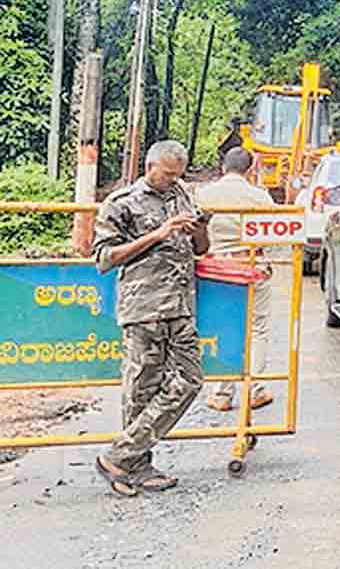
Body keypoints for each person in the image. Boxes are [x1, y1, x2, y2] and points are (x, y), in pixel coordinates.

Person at [92, 140, 210, 497]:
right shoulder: (121, 202)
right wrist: (157, 234)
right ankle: (135, 467)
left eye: (178, 175)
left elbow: (202, 249)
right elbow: (104, 259)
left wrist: (199, 229)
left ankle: (118, 457)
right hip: (143, 307)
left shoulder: (182, 195)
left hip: (181, 304)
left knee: (190, 380)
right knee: (140, 391)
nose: (174, 180)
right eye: (168, 174)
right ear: (149, 167)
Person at [195, 147, 277, 412]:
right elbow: (273, 236)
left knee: (224, 326)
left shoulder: (204, 195)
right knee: (257, 329)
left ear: (223, 167)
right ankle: (255, 389)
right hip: (251, 266)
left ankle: (221, 393)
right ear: (250, 170)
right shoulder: (259, 197)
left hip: (216, 268)